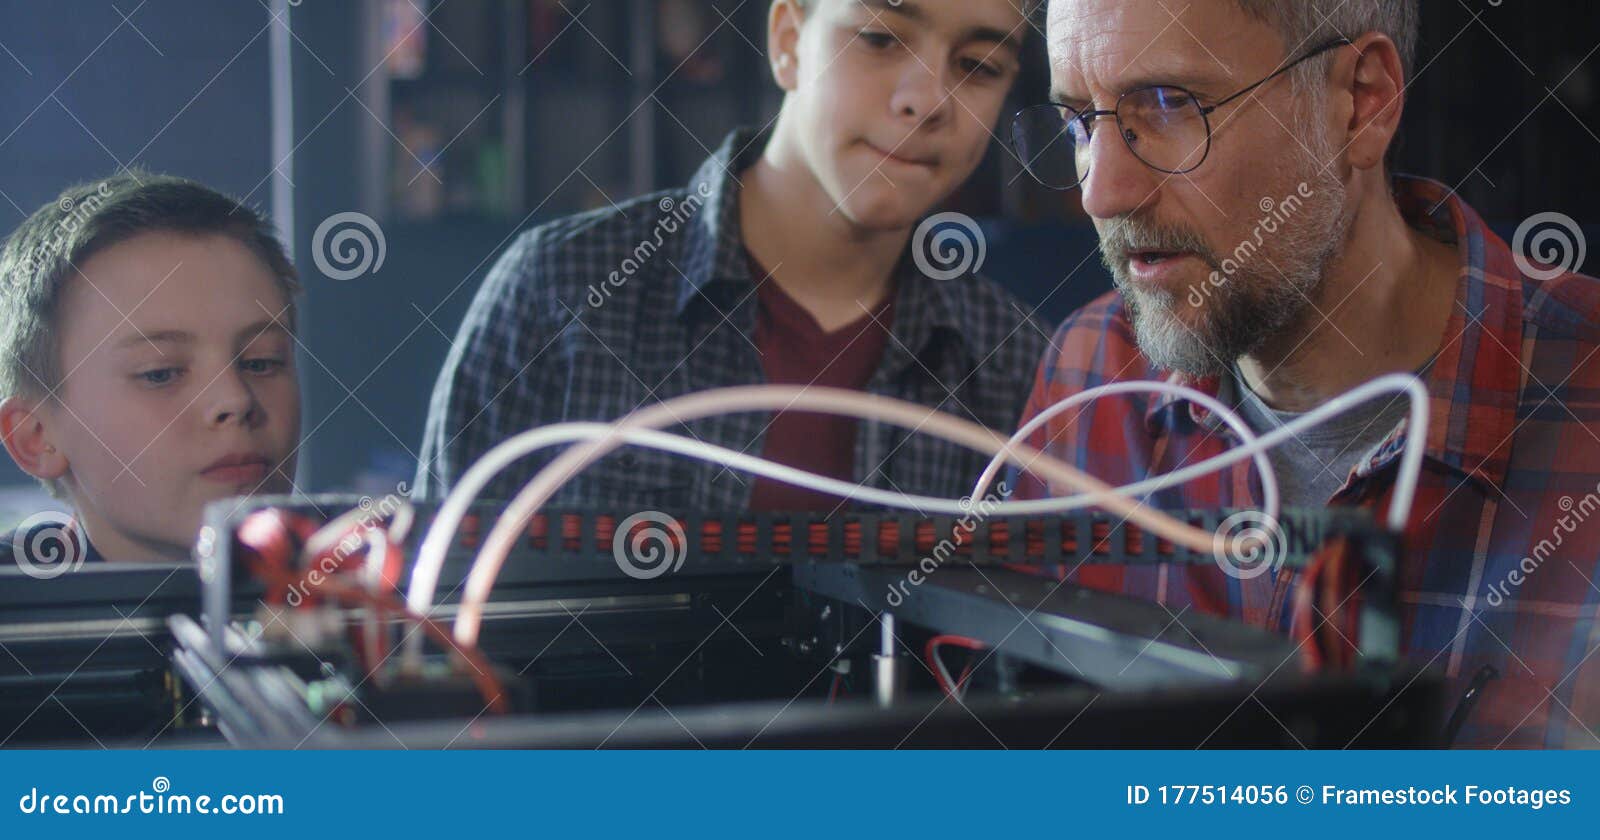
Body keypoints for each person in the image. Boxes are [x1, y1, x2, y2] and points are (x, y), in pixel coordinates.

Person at [1011, 0, 1599, 747]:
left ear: (1361, 102)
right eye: (1077, 122)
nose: (1100, 191)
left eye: (1168, 105)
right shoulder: (1089, 374)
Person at [416, 0, 1049, 511]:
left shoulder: (1015, 363)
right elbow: (431, 629)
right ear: (788, 41)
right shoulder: (560, 292)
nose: (930, 99)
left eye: (978, 65)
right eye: (882, 38)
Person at [0, 172, 302, 569]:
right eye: (161, 373)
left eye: (260, 362)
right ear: (35, 438)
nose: (236, 399)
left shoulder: (384, 589)